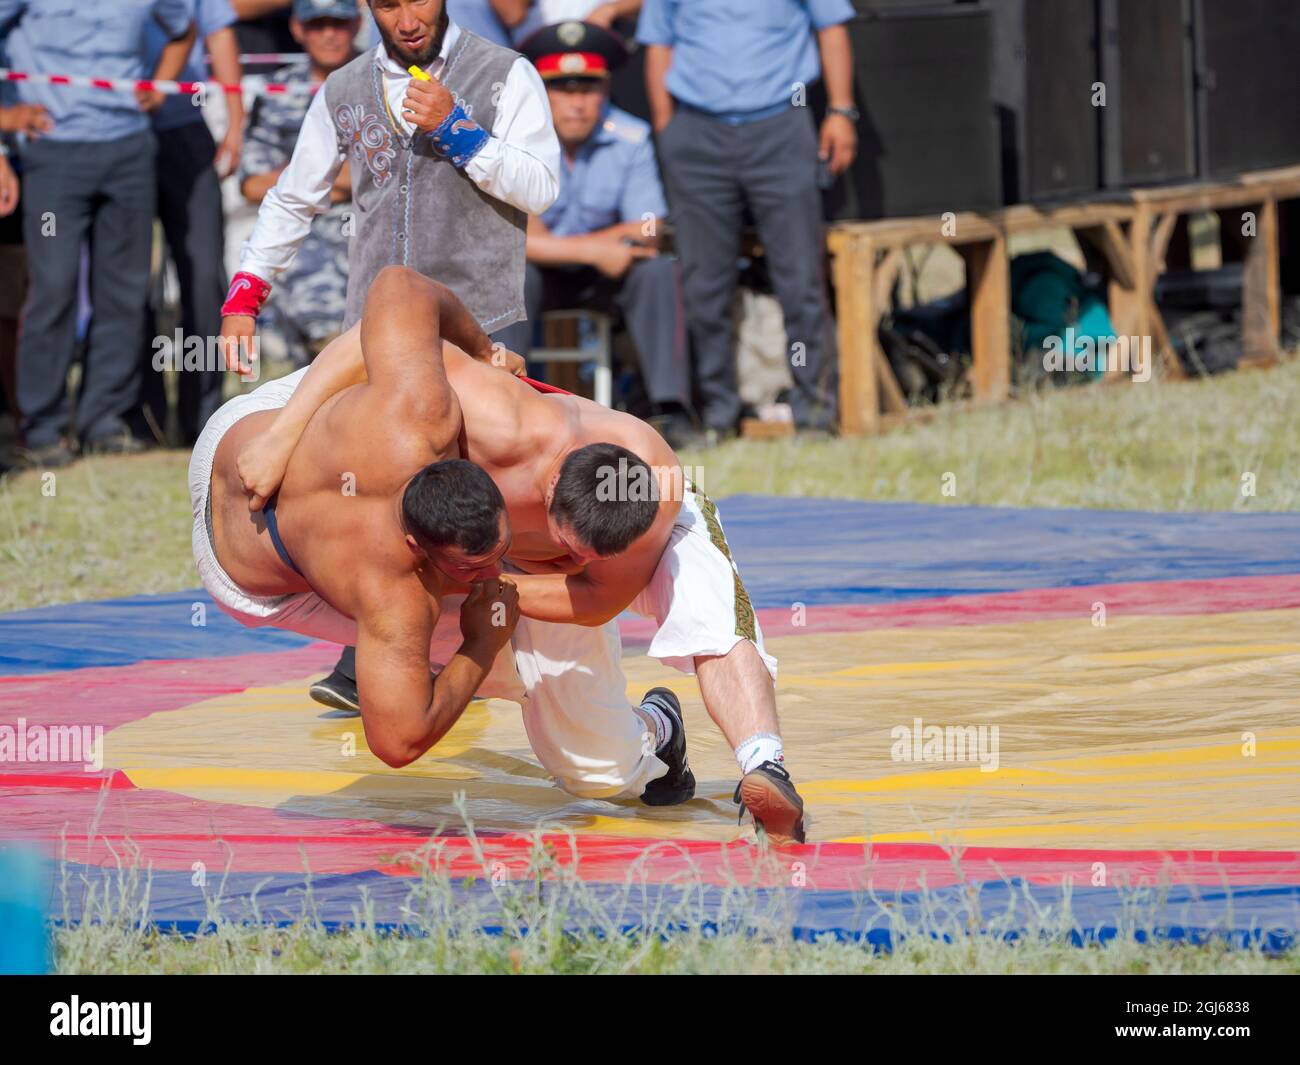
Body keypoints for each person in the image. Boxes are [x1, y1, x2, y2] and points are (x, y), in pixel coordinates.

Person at [238, 286, 806, 843]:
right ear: (553, 483)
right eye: (568, 543)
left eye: (587, 556)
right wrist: (285, 432)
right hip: (496, 558)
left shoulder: (654, 486)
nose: (573, 559)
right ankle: (661, 728)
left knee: (705, 600)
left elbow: (596, 601)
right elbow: (385, 317)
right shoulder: (482, 414)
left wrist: (495, 594)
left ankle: (765, 760)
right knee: (599, 774)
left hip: (523, 570)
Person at [195, 266, 684, 800]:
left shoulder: (418, 418)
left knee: (399, 358)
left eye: (504, 551)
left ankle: (578, 702)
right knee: (531, 680)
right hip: (249, 580)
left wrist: (482, 352)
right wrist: (480, 644)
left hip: (240, 437)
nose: (517, 564)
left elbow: (400, 286)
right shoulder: (396, 597)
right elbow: (397, 743)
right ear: (419, 556)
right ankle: (643, 729)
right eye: (480, 566)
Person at [219, 0, 561, 371]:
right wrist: (245, 296)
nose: (408, 22)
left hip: (485, 327)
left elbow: (539, 191)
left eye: (420, 1)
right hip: (375, 332)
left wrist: (458, 132)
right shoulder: (342, 87)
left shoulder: (506, 72)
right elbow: (293, 200)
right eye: (388, 6)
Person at [637, 0, 858, 437]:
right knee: (704, 284)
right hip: (697, 132)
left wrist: (841, 110)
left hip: (781, 123)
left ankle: (814, 413)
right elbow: (658, 44)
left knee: (800, 279)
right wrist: (667, 127)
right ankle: (719, 412)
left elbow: (832, 28)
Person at [0, 0, 196, 467]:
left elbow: (183, 28)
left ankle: (104, 421)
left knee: (124, 291)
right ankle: (41, 429)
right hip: (53, 152)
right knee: (53, 288)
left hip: (129, 149)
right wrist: (6, 121)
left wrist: (158, 85)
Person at [500, 19, 693, 445]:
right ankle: (507, 402)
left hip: (605, 276)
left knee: (659, 271)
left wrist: (595, 246)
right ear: (542, 94)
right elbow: (521, 239)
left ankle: (669, 408)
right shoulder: (515, 142)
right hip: (540, 274)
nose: (578, 104)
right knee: (510, 273)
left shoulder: (630, 136)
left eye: (588, 89)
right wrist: (598, 247)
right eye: (564, 90)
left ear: (605, 91)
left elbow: (650, 226)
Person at [137, 0, 246, 446]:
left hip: (185, 131)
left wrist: (236, 123)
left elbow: (219, 34)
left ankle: (202, 417)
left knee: (203, 275)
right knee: (127, 280)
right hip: (120, 135)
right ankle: (142, 418)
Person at [239, 0, 359, 365]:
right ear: (297, 29)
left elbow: (393, 176)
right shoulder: (277, 93)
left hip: (367, 224)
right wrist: (337, 177)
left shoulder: (382, 82)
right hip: (301, 229)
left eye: (337, 24)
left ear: (356, 24)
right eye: (316, 25)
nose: (328, 35)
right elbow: (253, 184)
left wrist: (301, 176)